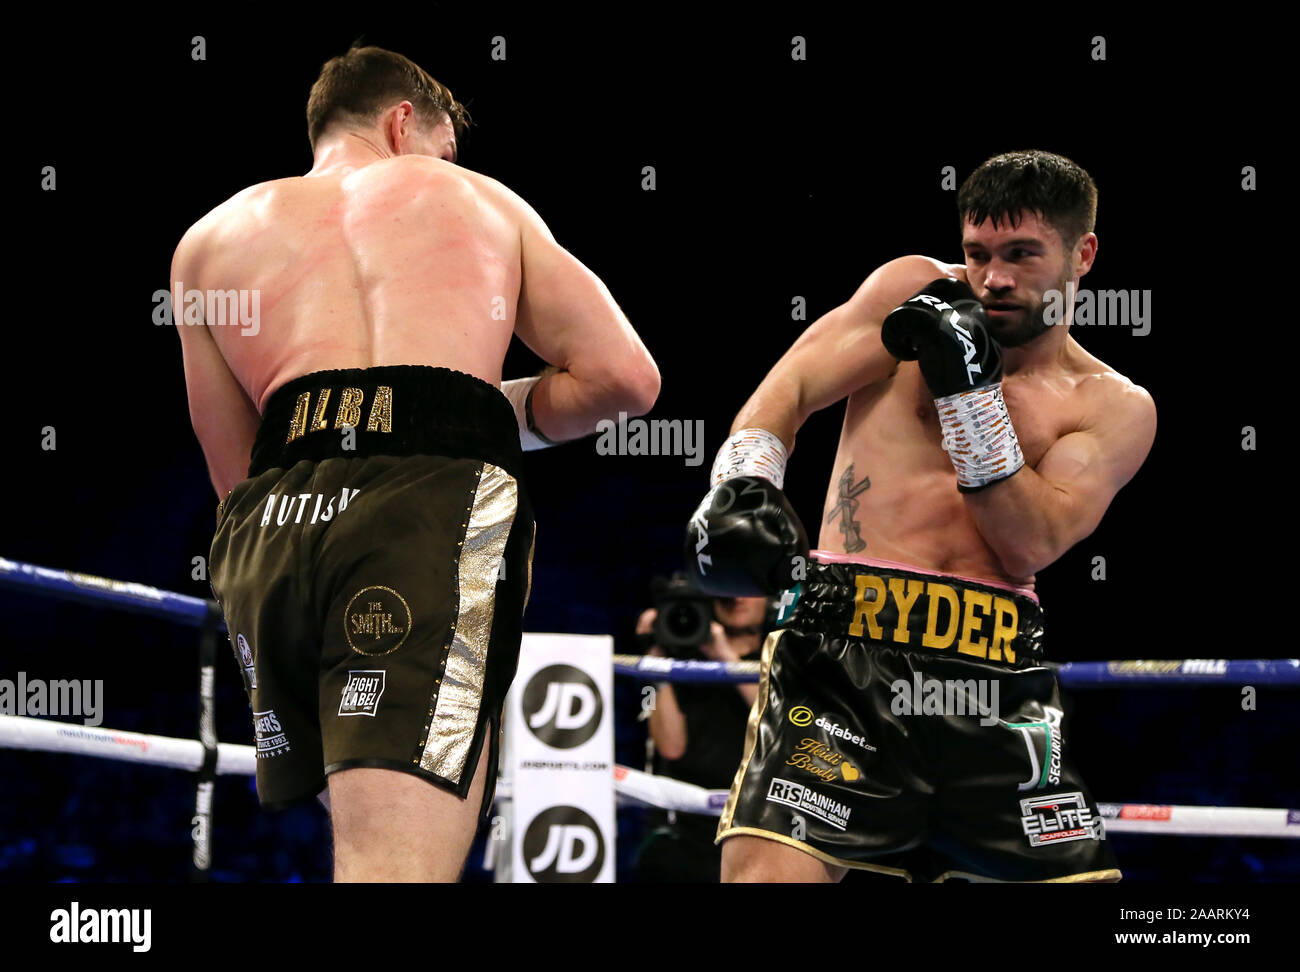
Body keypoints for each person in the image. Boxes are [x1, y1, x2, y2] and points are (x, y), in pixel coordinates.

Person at [173, 45, 659, 882]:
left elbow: (234, 481)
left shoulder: (205, 244)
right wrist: (485, 408)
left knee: (362, 845)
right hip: (422, 510)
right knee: (396, 863)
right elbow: (625, 379)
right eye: (445, 145)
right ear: (405, 123)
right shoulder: (473, 198)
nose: (447, 164)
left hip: (270, 543)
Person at [685, 150, 1154, 883]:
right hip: (844, 651)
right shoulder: (912, 290)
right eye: (977, 254)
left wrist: (969, 394)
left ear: (1083, 252)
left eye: (1021, 255)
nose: (992, 279)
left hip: (996, 674)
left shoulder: (1113, 405)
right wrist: (745, 480)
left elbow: (1028, 539)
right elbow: (797, 382)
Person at [633, 595, 765, 881]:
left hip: (755, 829)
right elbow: (670, 746)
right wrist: (657, 664)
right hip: (685, 832)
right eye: (725, 585)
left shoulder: (782, 653)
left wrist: (725, 658)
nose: (736, 596)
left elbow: (778, 720)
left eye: (746, 586)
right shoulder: (683, 656)